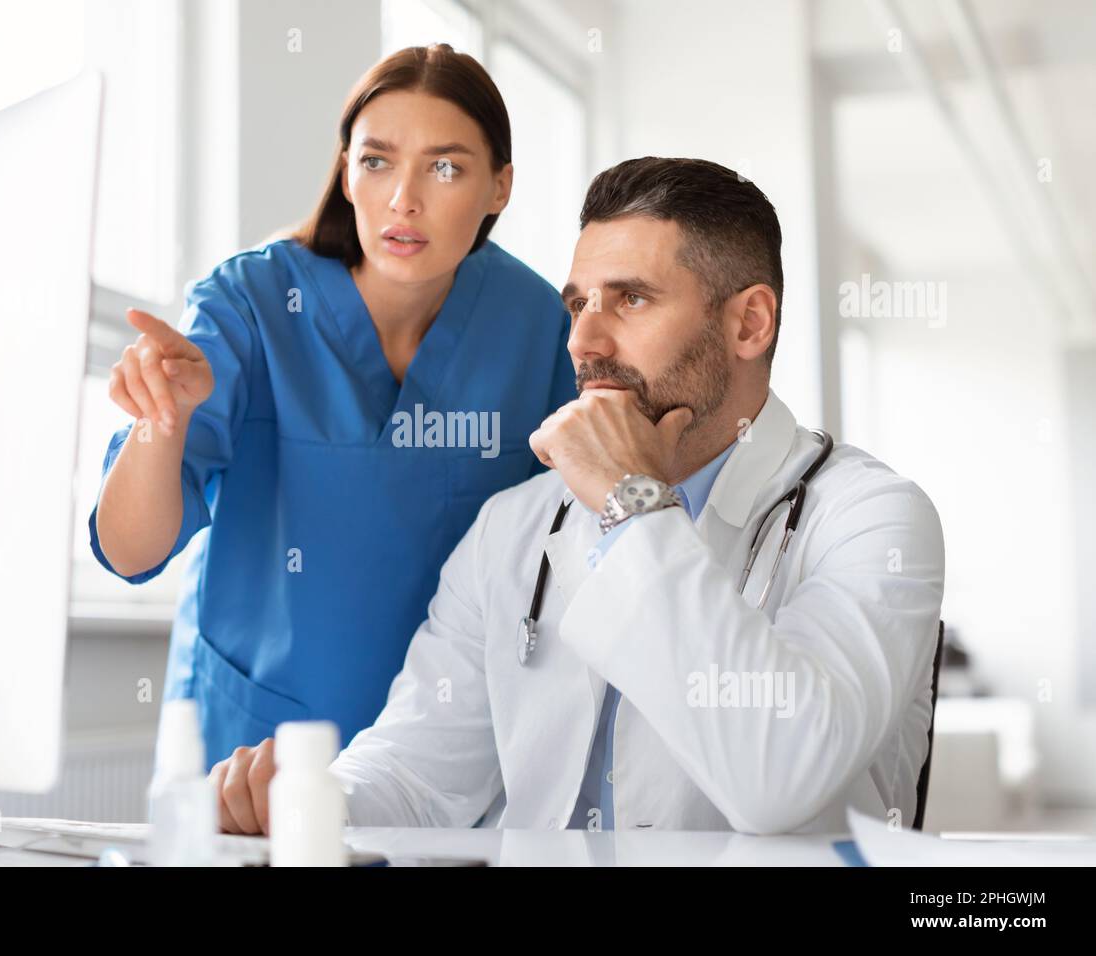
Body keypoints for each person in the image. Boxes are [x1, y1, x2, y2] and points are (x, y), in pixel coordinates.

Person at [209, 158, 945, 836]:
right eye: (576, 305)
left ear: (749, 323)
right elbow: (415, 774)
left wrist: (634, 504)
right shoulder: (515, 525)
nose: (583, 342)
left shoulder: (870, 519)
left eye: (630, 299)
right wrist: (309, 799)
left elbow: (775, 780)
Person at [89, 45, 576, 767]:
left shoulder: (536, 326)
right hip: (255, 750)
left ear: (499, 187)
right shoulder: (250, 307)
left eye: (445, 167)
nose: (403, 198)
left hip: (449, 757)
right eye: (377, 160)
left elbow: (568, 551)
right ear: (346, 169)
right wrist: (163, 423)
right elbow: (130, 552)